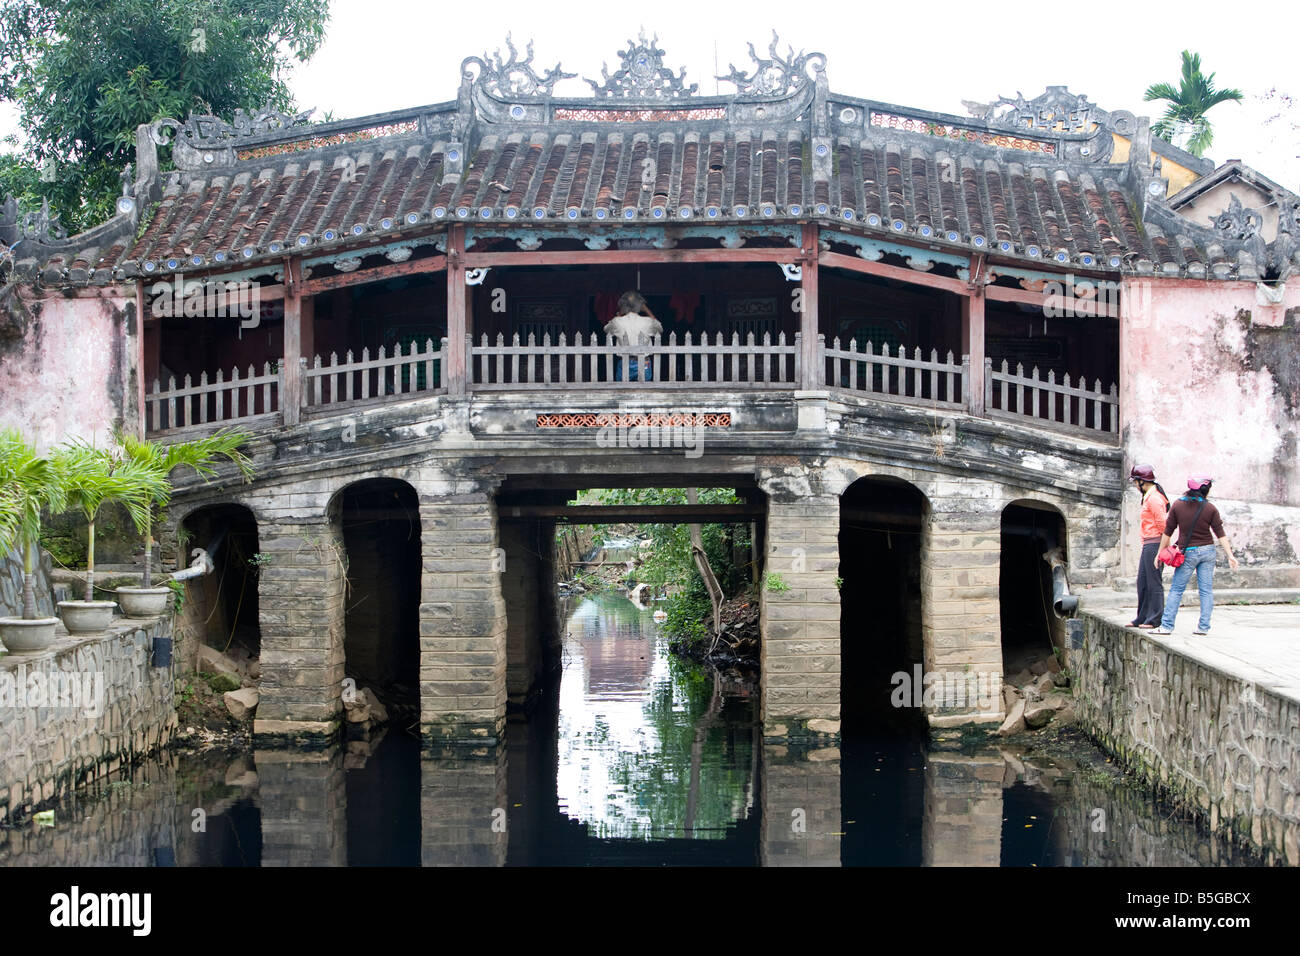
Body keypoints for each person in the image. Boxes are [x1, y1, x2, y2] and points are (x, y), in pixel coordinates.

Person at [1152, 474, 1240, 635]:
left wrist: (1159, 553)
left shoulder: (1178, 505)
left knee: (1177, 590)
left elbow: (1168, 531)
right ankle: (1203, 628)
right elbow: (1220, 534)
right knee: (1205, 591)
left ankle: (1166, 626)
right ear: (1205, 490)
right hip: (1208, 551)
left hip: (1189, 553)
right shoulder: (1210, 508)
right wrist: (1230, 555)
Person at [1128, 464, 1169, 628]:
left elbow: (1164, 526)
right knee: (1143, 582)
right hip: (1148, 544)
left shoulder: (1155, 499)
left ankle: (1155, 618)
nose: (1135, 486)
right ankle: (1142, 616)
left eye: (1135, 482)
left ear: (1141, 482)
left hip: (1154, 544)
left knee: (1154, 582)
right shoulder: (1149, 497)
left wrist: (1161, 551)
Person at [603, 291, 662, 381]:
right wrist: (647, 310)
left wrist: (619, 314)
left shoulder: (617, 321)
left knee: (622, 392)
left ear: (623, 305)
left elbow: (606, 329)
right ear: (640, 305)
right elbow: (659, 329)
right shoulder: (648, 321)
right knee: (645, 392)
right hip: (644, 361)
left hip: (625, 361)